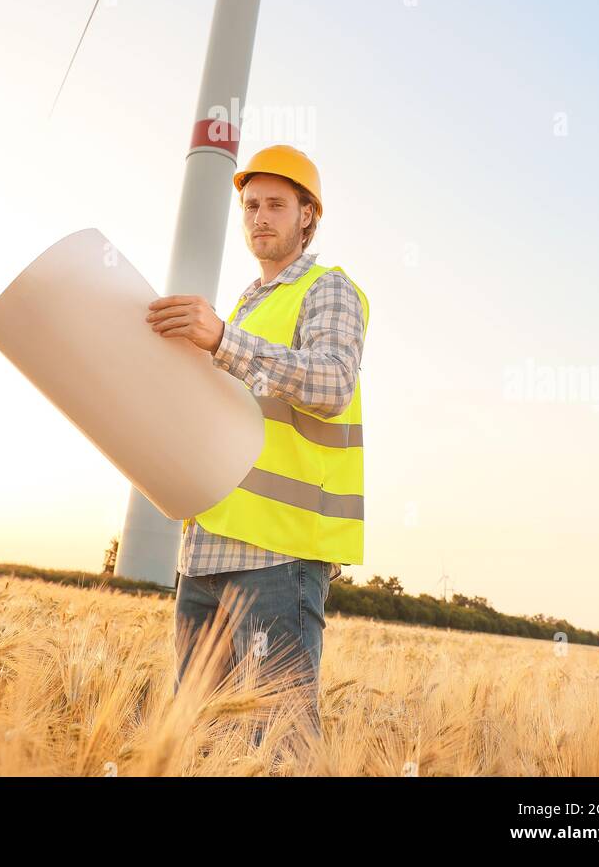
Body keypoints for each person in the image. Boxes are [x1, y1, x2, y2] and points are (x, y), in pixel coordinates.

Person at [145, 145, 369, 752]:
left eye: (276, 204)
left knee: (280, 749)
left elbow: (330, 382)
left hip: (277, 553)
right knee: (198, 743)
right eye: (250, 206)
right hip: (206, 550)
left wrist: (221, 339)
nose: (259, 217)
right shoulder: (246, 305)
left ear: (308, 216)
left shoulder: (328, 289)